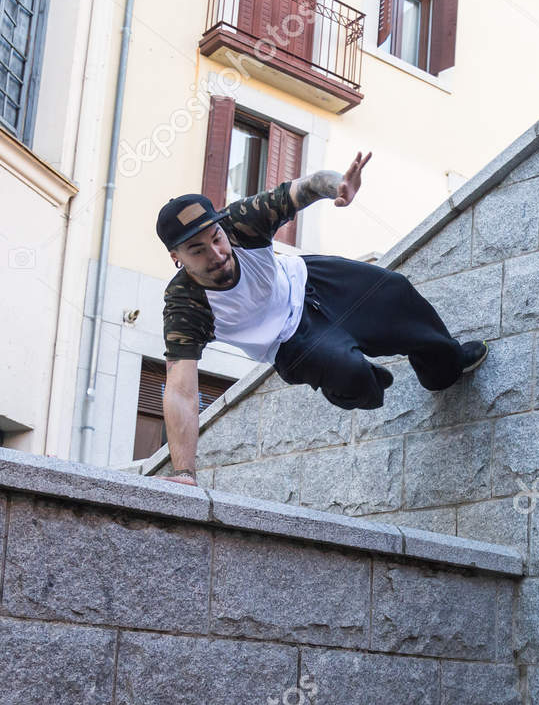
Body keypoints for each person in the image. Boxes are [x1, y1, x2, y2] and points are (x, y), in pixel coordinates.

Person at [155, 151, 487, 485]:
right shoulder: (186, 305)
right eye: (198, 251)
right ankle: (352, 378)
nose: (216, 254)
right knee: (351, 373)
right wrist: (184, 472)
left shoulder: (242, 222)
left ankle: (444, 369)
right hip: (288, 343)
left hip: (310, 280)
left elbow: (307, 187)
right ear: (176, 257)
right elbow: (181, 389)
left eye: (216, 239)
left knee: (395, 291)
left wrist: (339, 186)